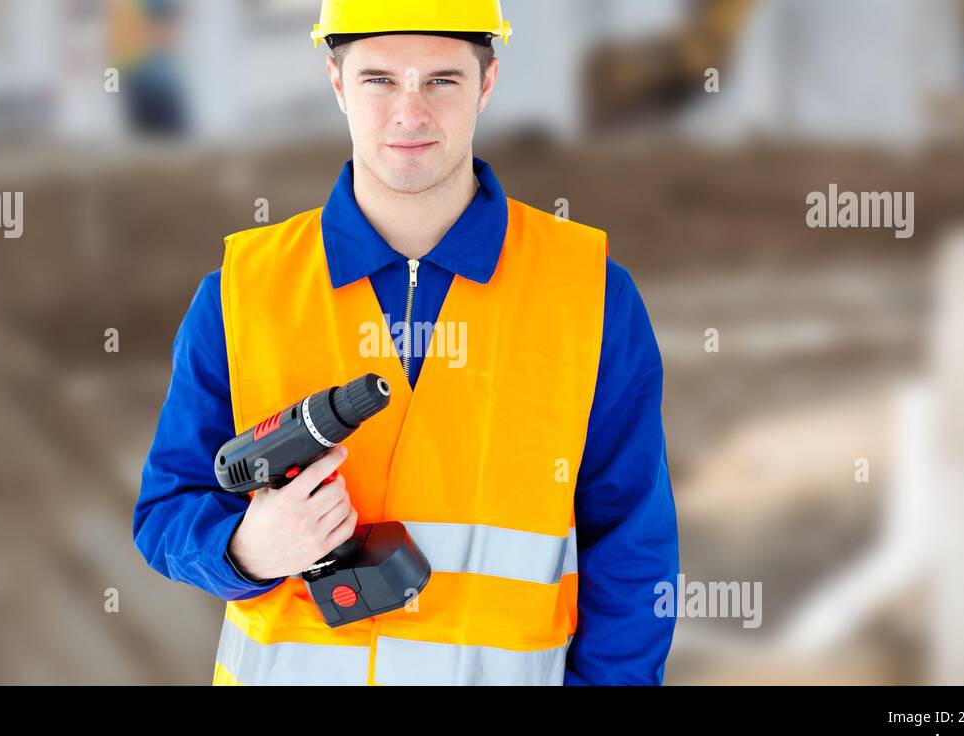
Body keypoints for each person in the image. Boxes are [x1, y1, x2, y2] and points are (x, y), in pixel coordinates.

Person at [133, 0, 679, 685]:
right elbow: (165, 510)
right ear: (337, 82)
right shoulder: (242, 292)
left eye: (442, 80)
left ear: (486, 83)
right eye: (380, 80)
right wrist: (245, 549)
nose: (410, 112)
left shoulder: (591, 296)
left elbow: (633, 551)